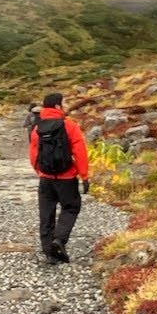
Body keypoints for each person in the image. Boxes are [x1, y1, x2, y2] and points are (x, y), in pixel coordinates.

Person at [28, 92, 90, 265]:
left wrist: (40, 171)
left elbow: (33, 154)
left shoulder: (37, 128)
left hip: (46, 179)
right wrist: (84, 176)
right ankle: (60, 240)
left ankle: (49, 253)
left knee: (46, 213)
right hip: (67, 177)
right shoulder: (69, 126)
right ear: (57, 106)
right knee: (71, 208)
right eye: (63, 103)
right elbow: (80, 152)